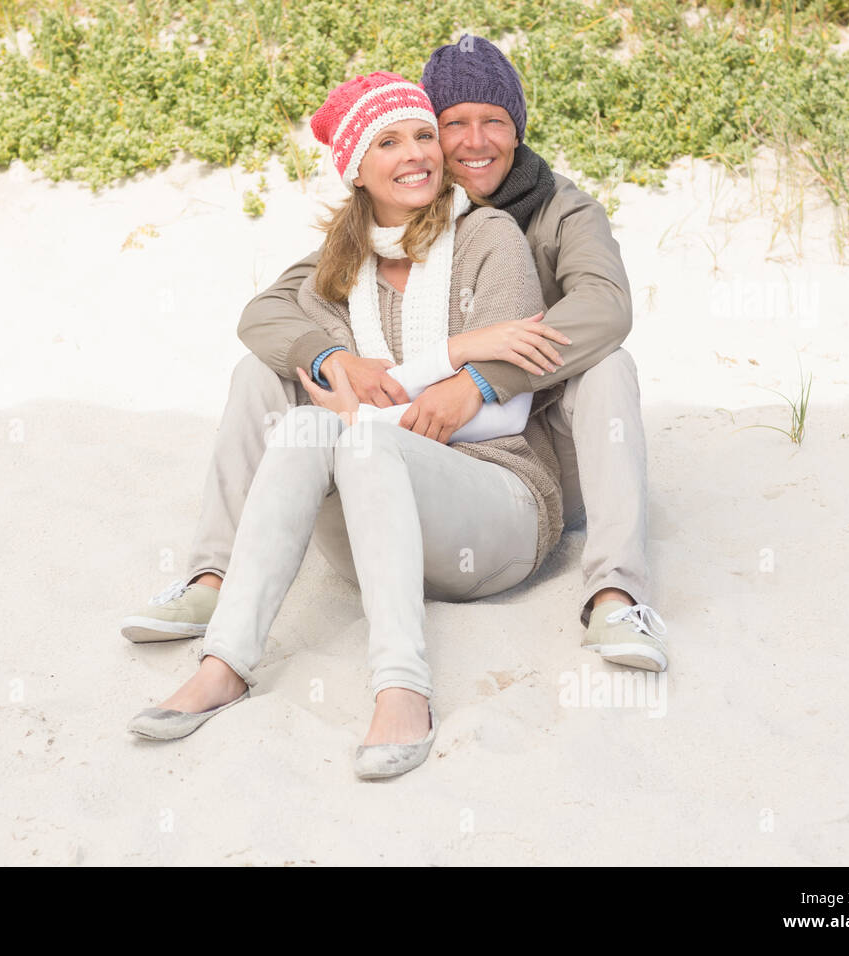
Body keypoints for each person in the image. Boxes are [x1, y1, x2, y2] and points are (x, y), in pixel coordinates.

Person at [121, 34, 669, 672]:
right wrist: (337, 360)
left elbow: (606, 308)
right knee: (263, 371)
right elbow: (271, 310)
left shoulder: (557, 212)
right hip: (409, 440)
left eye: (494, 121)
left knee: (609, 365)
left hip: (533, 433)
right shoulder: (386, 224)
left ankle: (616, 592)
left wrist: (483, 378)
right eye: (450, 125)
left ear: (517, 131)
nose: (474, 141)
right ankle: (212, 580)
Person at [127, 71, 567, 780]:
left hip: (498, 513)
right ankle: (226, 663)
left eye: (425, 135)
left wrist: (381, 404)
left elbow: (506, 411)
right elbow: (262, 325)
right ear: (356, 169)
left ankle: (402, 687)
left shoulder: (489, 237)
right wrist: (441, 359)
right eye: (389, 141)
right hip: (379, 532)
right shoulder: (338, 270)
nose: (417, 154)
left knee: (349, 432)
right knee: (307, 429)